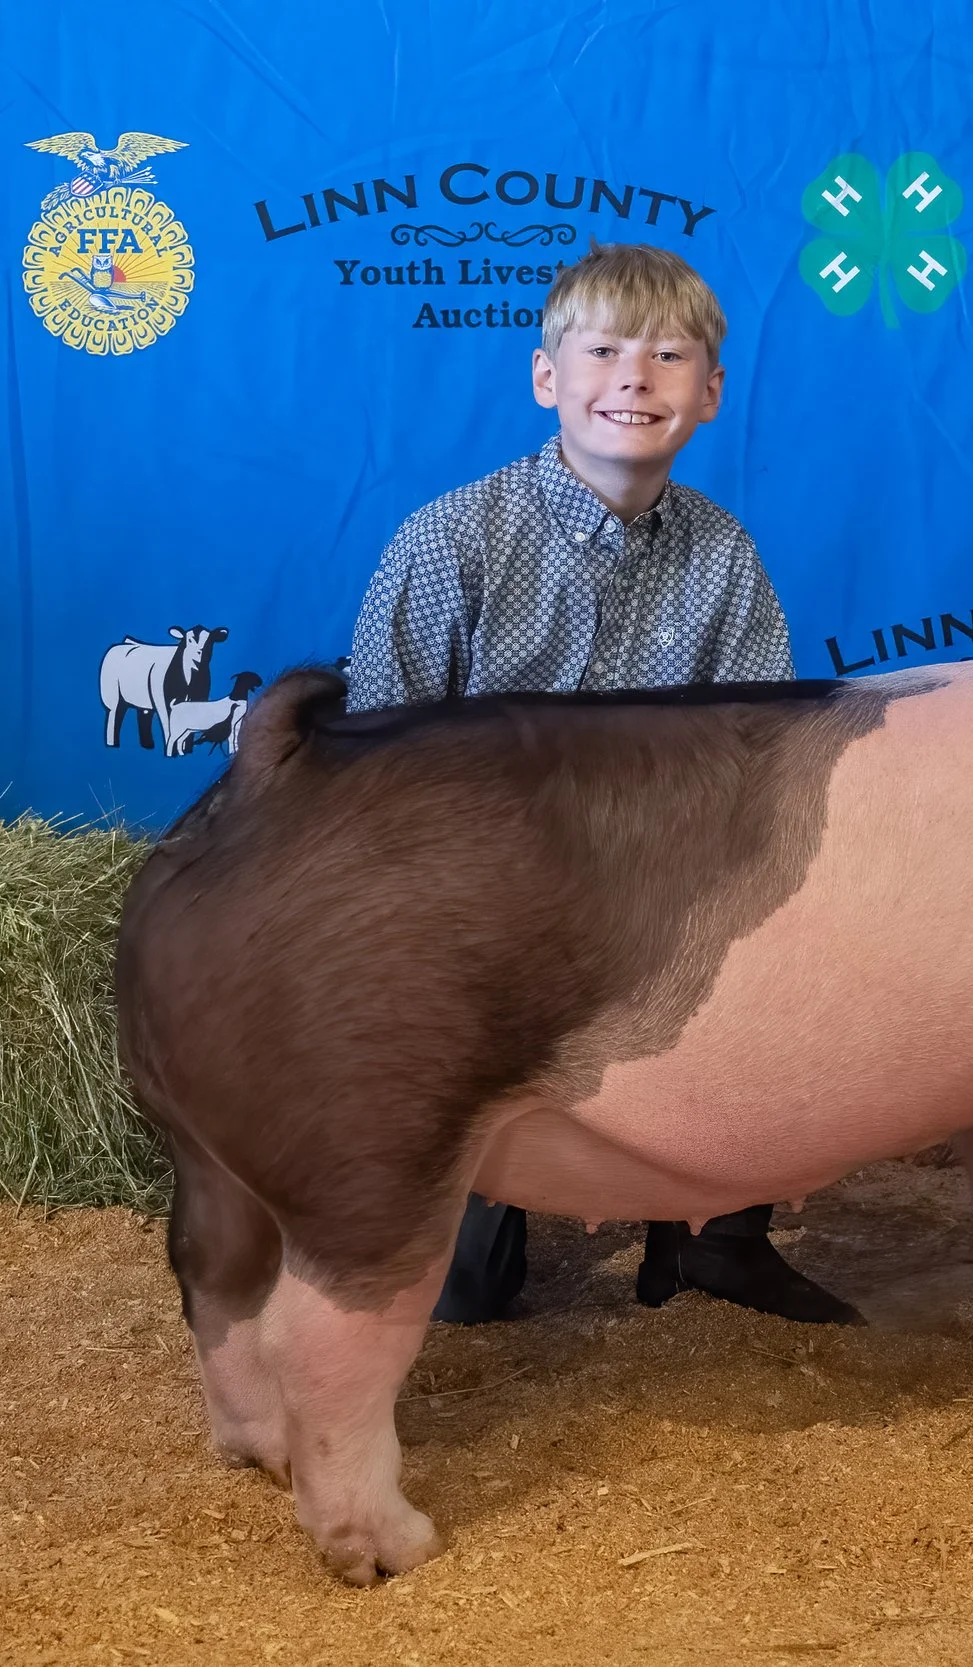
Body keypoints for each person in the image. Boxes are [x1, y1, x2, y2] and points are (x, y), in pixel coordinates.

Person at [345, 242, 862, 1329]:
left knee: (789, 920)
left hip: (663, 902)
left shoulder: (724, 556)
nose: (635, 377)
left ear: (710, 393)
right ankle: (477, 1191)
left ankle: (717, 1234)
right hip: (483, 917)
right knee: (464, 1294)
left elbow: (762, 757)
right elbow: (374, 782)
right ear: (547, 378)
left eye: (669, 356)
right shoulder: (451, 542)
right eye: (604, 352)